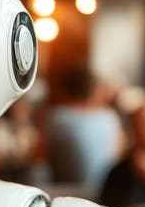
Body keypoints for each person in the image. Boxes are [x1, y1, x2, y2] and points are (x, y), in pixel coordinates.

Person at [43, 66, 125, 195]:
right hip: (101, 193)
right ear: (95, 90)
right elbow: (117, 156)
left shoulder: (57, 117)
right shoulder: (109, 118)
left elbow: (42, 158)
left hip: (63, 193)